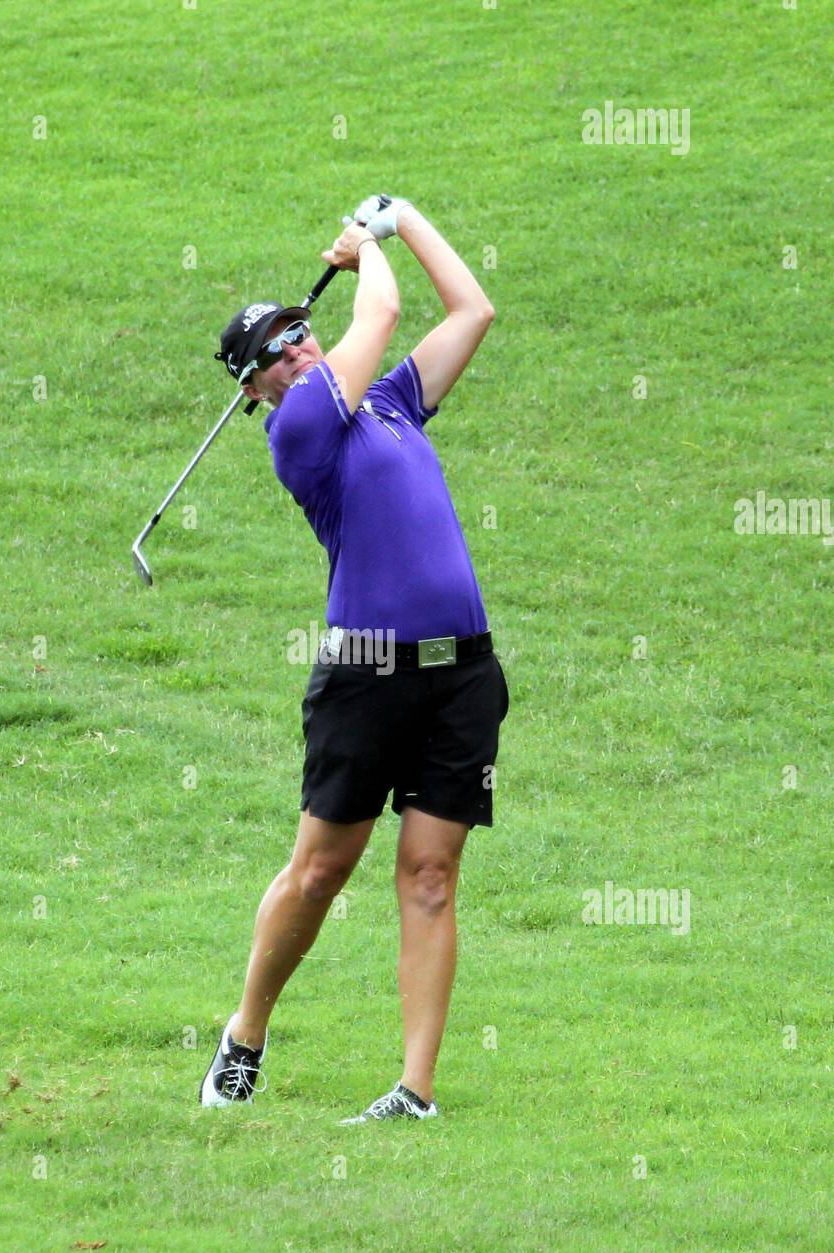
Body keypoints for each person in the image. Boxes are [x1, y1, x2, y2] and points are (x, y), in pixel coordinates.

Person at [201, 195, 509, 1122]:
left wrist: (408, 221)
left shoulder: (388, 402)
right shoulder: (297, 430)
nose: (295, 351)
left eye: (299, 334)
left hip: (463, 673)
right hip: (365, 673)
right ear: (253, 388)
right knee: (321, 870)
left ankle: (414, 1091)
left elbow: (472, 312)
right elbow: (376, 313)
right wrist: (365, 242)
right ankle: (245, 1034)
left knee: (429, 873)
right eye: (273, 355)